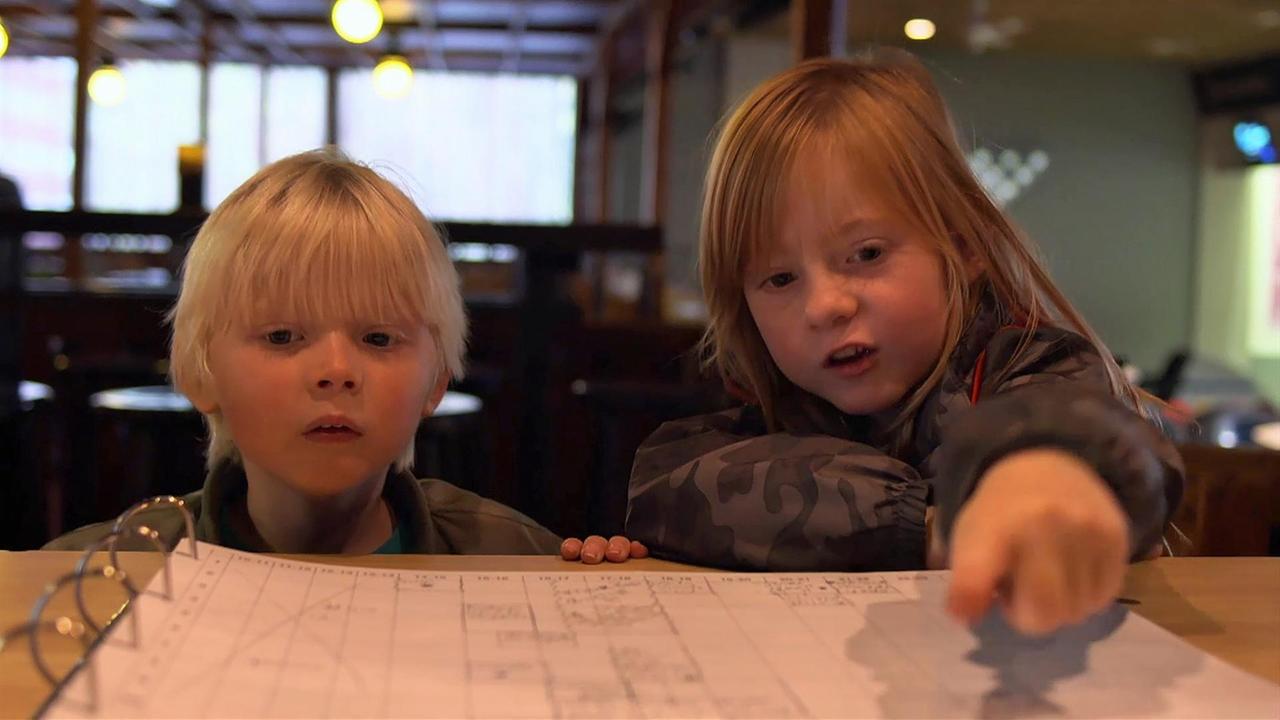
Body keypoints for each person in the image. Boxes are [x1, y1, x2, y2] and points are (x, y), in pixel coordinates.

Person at [624, 51, 1182, 635]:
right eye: (780, 279)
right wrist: (930, 528)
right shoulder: (783, 412)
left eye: (866, 254)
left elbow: (1113, 447)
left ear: (964, 245)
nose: (824, 307)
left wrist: (1045, 478)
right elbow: (663, 482)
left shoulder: (1028, 364)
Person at [47, 149, 642, 562]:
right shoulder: (110, 573)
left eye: (378, 339)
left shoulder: (510, 556)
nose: (336, 371)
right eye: (282, 337)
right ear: (201, 371)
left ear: (436, 379)